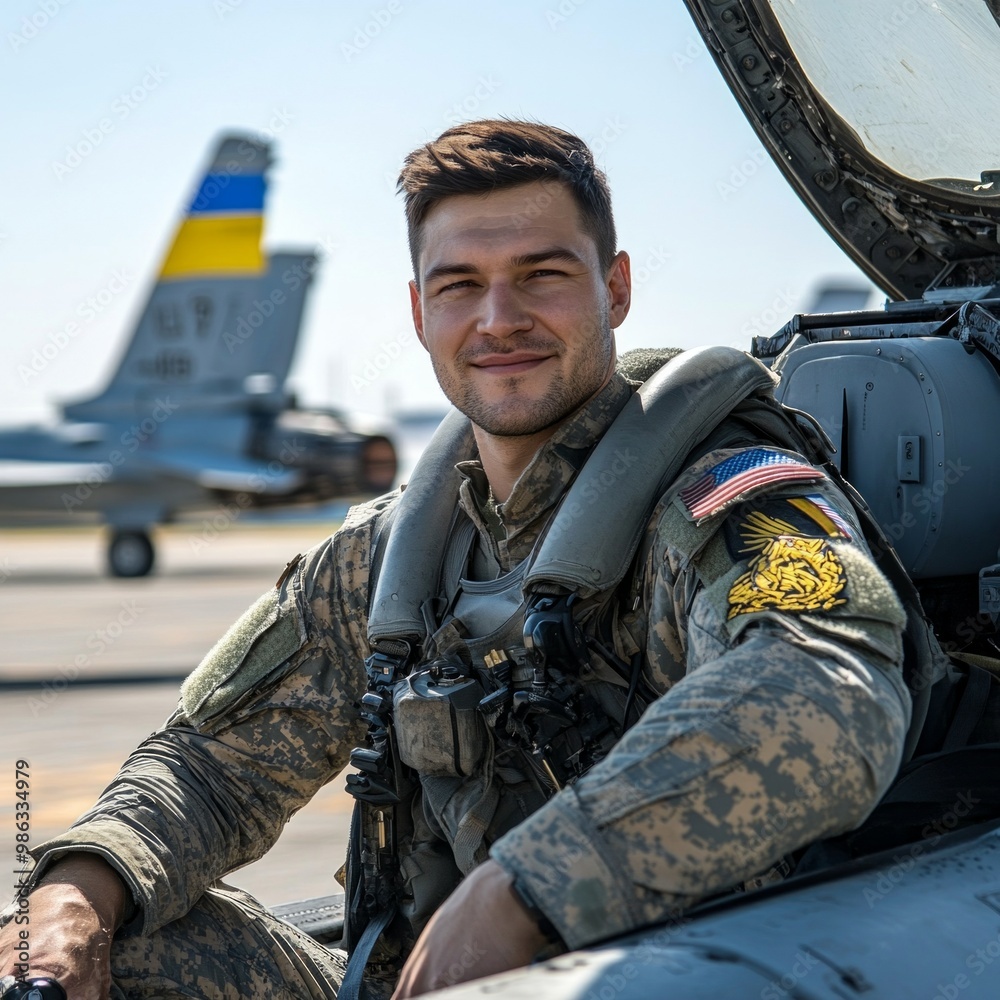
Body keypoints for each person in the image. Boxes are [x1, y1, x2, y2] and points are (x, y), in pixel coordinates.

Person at [0, 120, 911, 1000]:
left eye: (542, 275)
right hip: (417, 979)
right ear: (418, 309)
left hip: (663, 971)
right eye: (460, 284)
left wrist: (526, 890)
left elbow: (829, 694)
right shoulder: (393, 553)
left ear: (616, 288)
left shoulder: (719, 503)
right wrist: (79, 888)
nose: (499, 319)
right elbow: (209, 761)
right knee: (83, 948)